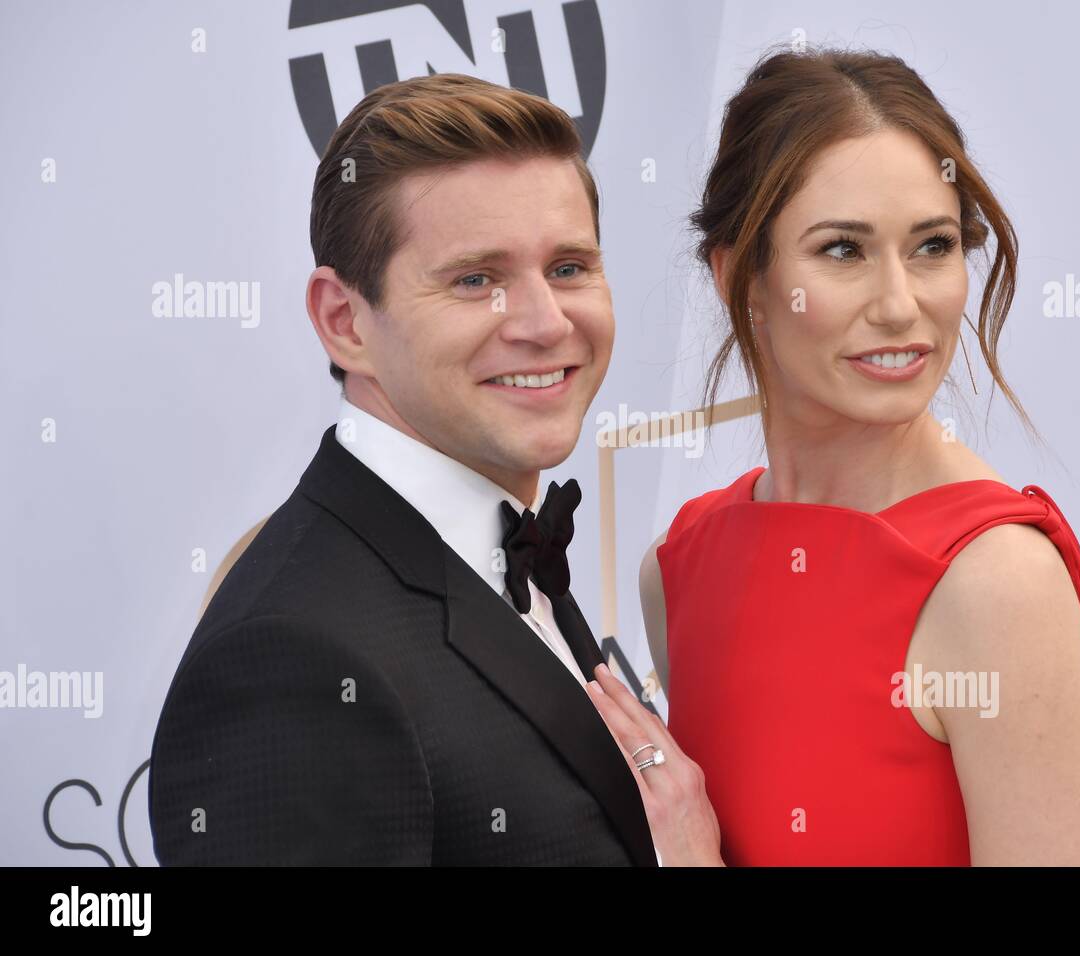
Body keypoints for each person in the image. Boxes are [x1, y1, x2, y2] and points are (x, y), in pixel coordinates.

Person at [149, 73, 720, 866]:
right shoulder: (294, 662)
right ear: (344, 322)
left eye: (568, 268)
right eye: (475, 280)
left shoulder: (493, 546)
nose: (545, 323)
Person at [640, 47, 1080, 866]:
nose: (902, 305)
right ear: (742, 281)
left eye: (933, 246)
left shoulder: (996, 582)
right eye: (843, 250)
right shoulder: (680, 564)